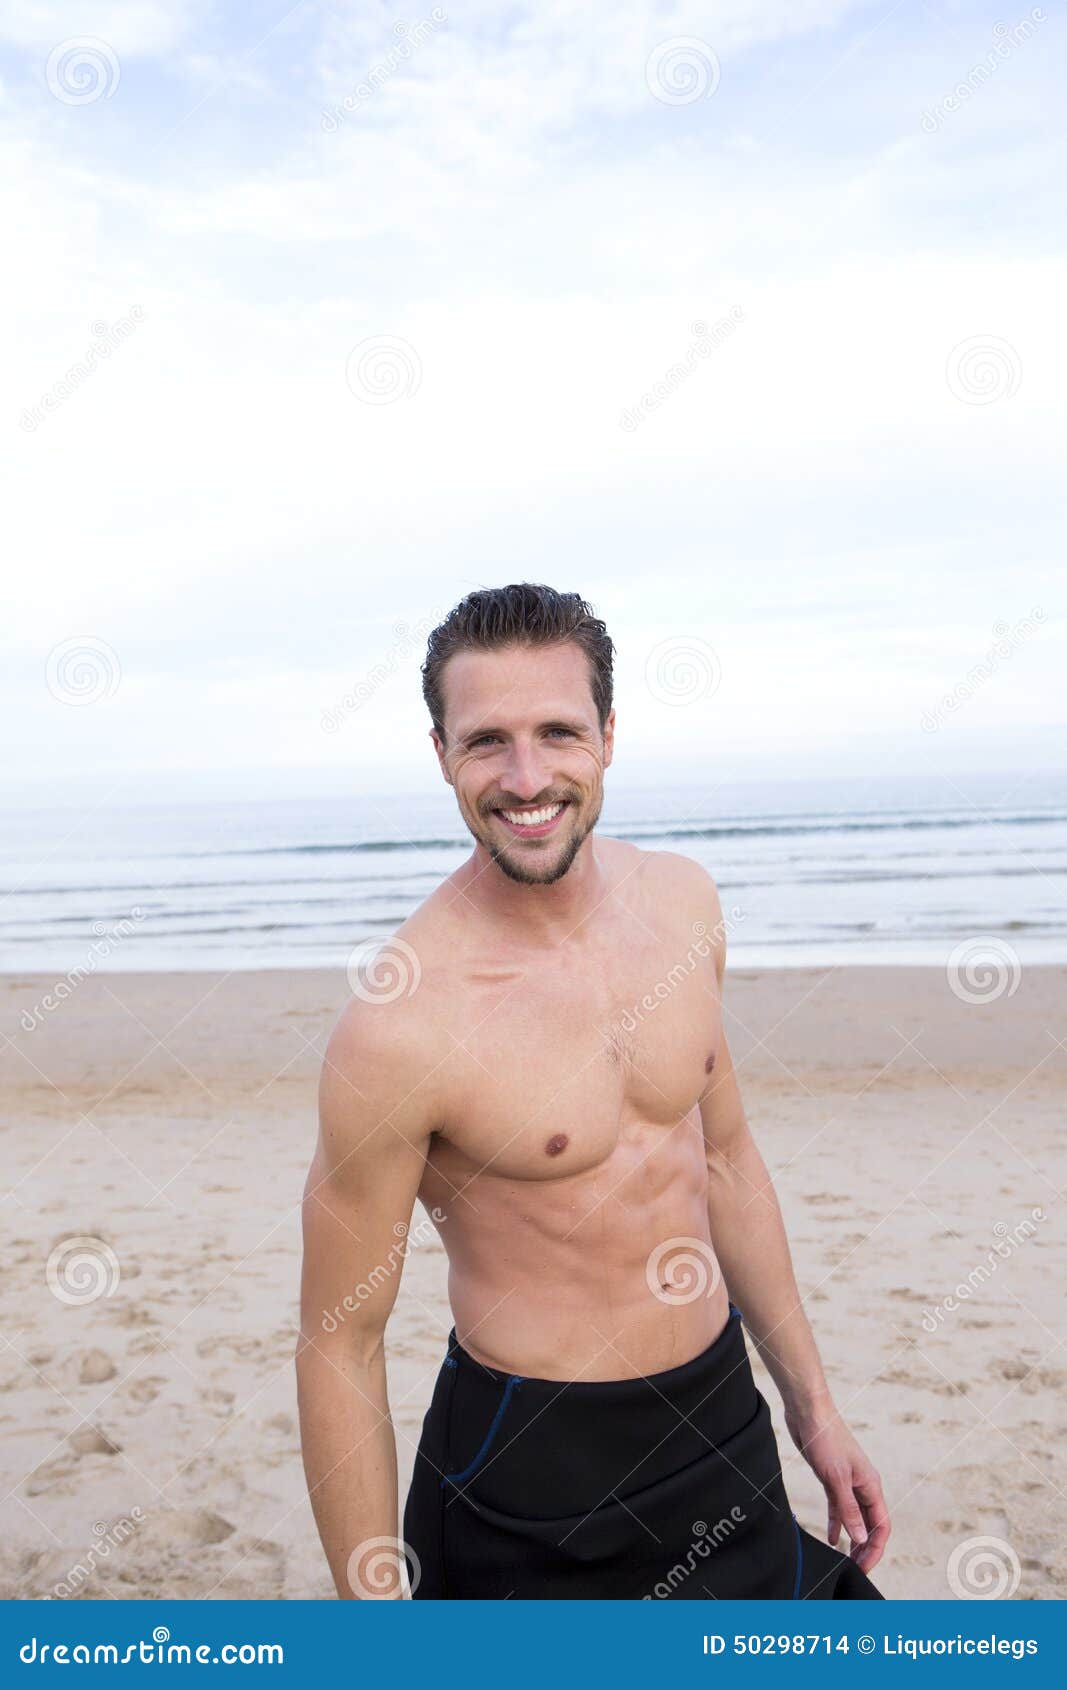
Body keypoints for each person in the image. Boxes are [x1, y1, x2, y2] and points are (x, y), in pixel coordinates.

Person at [296, 583, 890, 1599]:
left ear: (608, 735)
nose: (526, 778)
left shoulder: (682, 903)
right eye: (487, 741)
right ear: (439, 753)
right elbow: (337, 1339)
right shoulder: (401, 1023)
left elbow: (722, 1159)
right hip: (529, 1485)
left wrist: (813, 1409)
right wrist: (367, 1614)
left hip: (719, 1426)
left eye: (557, 731)